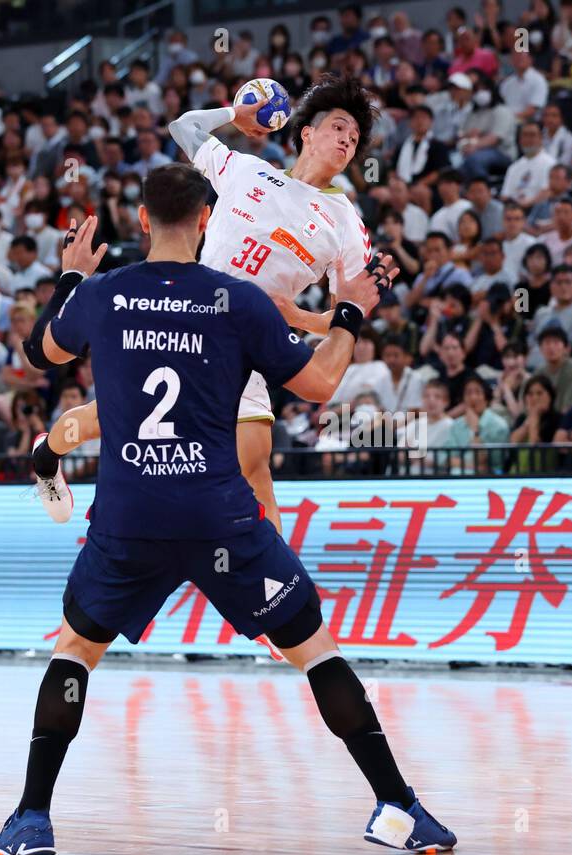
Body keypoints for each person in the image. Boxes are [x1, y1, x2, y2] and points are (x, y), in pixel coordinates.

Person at [0, 166, 454, 855]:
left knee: (76, 652)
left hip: (128, 518)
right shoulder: (238, 301)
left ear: (142, 219)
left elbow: (37, 354)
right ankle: (399, 807)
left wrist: (71, 278)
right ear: (207, 220)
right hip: (220, 518)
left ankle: (30, 820)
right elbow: (324, 383)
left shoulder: (104, 296)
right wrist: (351, 309)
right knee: (315, 653)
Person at [37, 74, 389, 532]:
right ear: (307, 132)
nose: (347, 139)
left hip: (248, 347)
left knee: (255, 470)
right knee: (101, 421)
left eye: (355, 137)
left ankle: (277, 594)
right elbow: (183, 128)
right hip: (181, 320)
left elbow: (345, 319)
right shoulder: (245, 169)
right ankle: (46, 456)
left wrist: (296, 316)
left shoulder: (346, 221)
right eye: (339, 127)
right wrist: (234, 115)